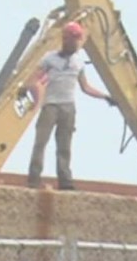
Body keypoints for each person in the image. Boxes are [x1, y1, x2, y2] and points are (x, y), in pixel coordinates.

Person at [24, 21, 115, 191]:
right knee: (40, 143)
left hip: (68, 107)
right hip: (50, 105)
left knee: (64, 146)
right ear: (65, 38)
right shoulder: (49, 58)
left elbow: (85, 87)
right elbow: (32, 80)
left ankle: (65, 181)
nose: (75, 43)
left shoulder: (78, 63)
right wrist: (38, 100)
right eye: (72, 39)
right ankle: (33, 179)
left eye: (77, 40)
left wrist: (105, 97)